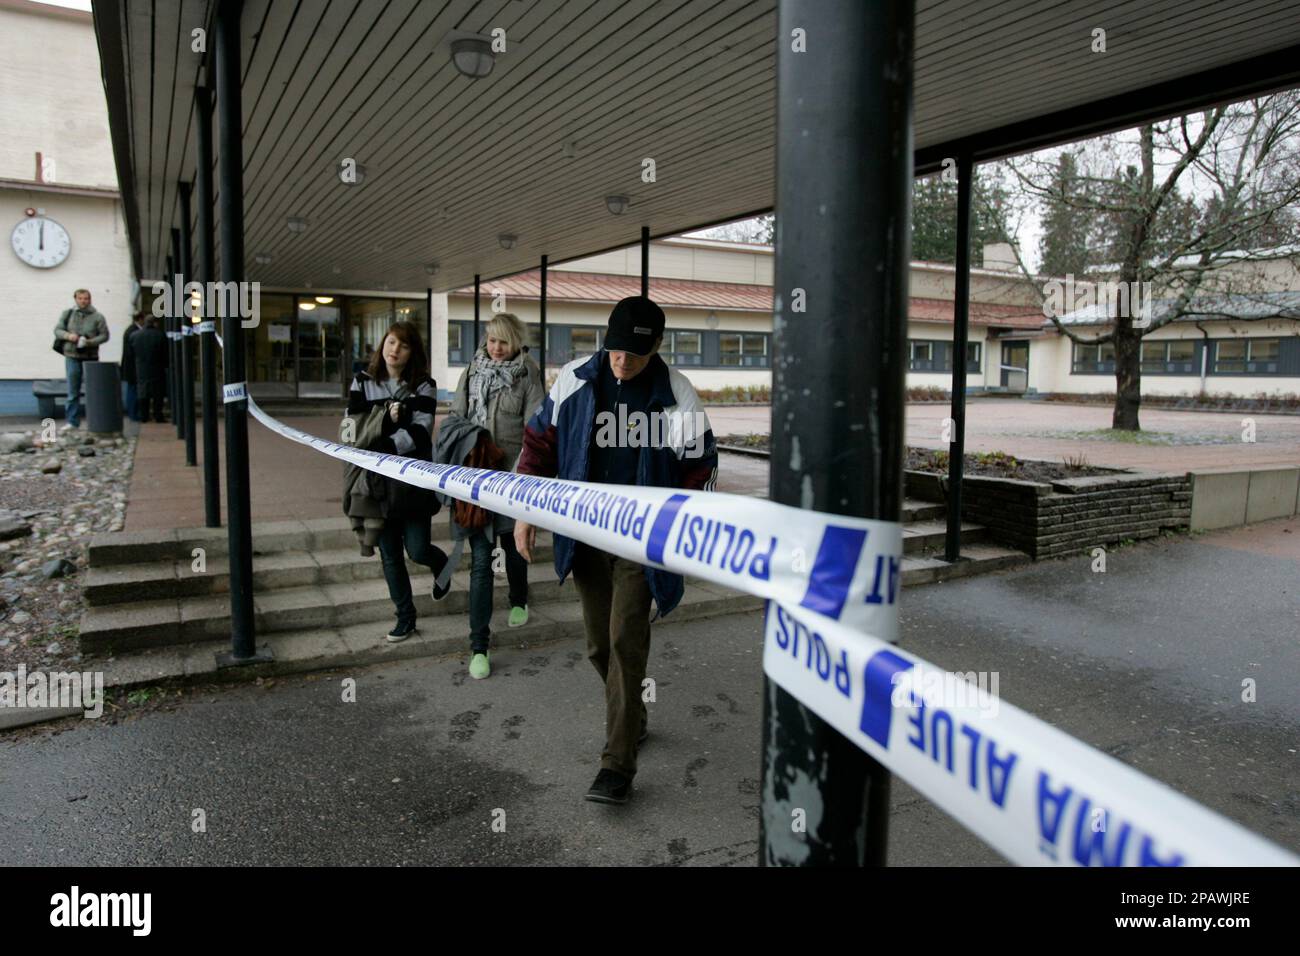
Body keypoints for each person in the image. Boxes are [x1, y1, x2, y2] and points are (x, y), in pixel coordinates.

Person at [514, 296, 718, 804]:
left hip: (641, 540)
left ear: (656, 347)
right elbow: (538, 445)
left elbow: (701, 465)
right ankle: (635, 717)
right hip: (585, 534)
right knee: (598, 646)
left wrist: (681, 527)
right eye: (616, 349)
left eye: (635, 353)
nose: (622, 361)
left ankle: (617, 766)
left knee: (626, 641)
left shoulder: (676, 395)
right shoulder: (575, 381)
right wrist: (523, 509)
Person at [446, 312, 545, 679]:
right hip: (475, 480)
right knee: (482, 560)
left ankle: (519, 597)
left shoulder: (528, 373)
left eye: (504, 342)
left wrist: (523, 475)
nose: (497, 349)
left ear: (516, 342)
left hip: (513, 479)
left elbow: (536, 428)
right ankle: (478, 646)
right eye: (492, 341)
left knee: (513, 543)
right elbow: (456, 418)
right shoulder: (471, 371)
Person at [347, 321, 450, 642]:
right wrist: (383, 423)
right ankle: (405, 617)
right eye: (391, 342)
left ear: (412, 352)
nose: (395, 350)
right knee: (389, 553)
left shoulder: (424, 385)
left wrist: (380, 443)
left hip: (413, 480)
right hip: (376, 482)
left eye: (403, 345)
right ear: (383, 344)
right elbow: (351, 428)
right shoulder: (362, 382)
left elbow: (420, 432)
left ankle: (441, 564)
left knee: (417, 550)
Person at [53, 289, 110, 429]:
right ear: (75, 299)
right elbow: (57, 330)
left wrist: (90, 342)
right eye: (80, 298)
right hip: (72, 356)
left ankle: (96, 421)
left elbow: (105, 335)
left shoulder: (98, 317)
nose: (83, 301)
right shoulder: (68, 314)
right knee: (73, 391)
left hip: (90, 357)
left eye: (86, 298)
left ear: (90, 300)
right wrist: (68, 336)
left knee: (93, 390)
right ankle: (72, 422)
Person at [131, 316, 169, 423]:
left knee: (143, 393)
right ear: (155, 323)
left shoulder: (135, 336)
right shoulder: (160, 335)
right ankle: (158, 415)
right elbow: (165, 353)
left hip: (141, 368)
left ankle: (144, 415)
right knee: (158, 394)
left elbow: (131, 353)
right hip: (157, 367)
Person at [121, 313, 145, 421]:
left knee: (132, 389)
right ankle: (133, 413)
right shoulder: (133, 331)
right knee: (133, 390)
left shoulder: (130, 330)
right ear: (140, 319)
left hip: (130, 366)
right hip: (132, 367)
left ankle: (133, 413)